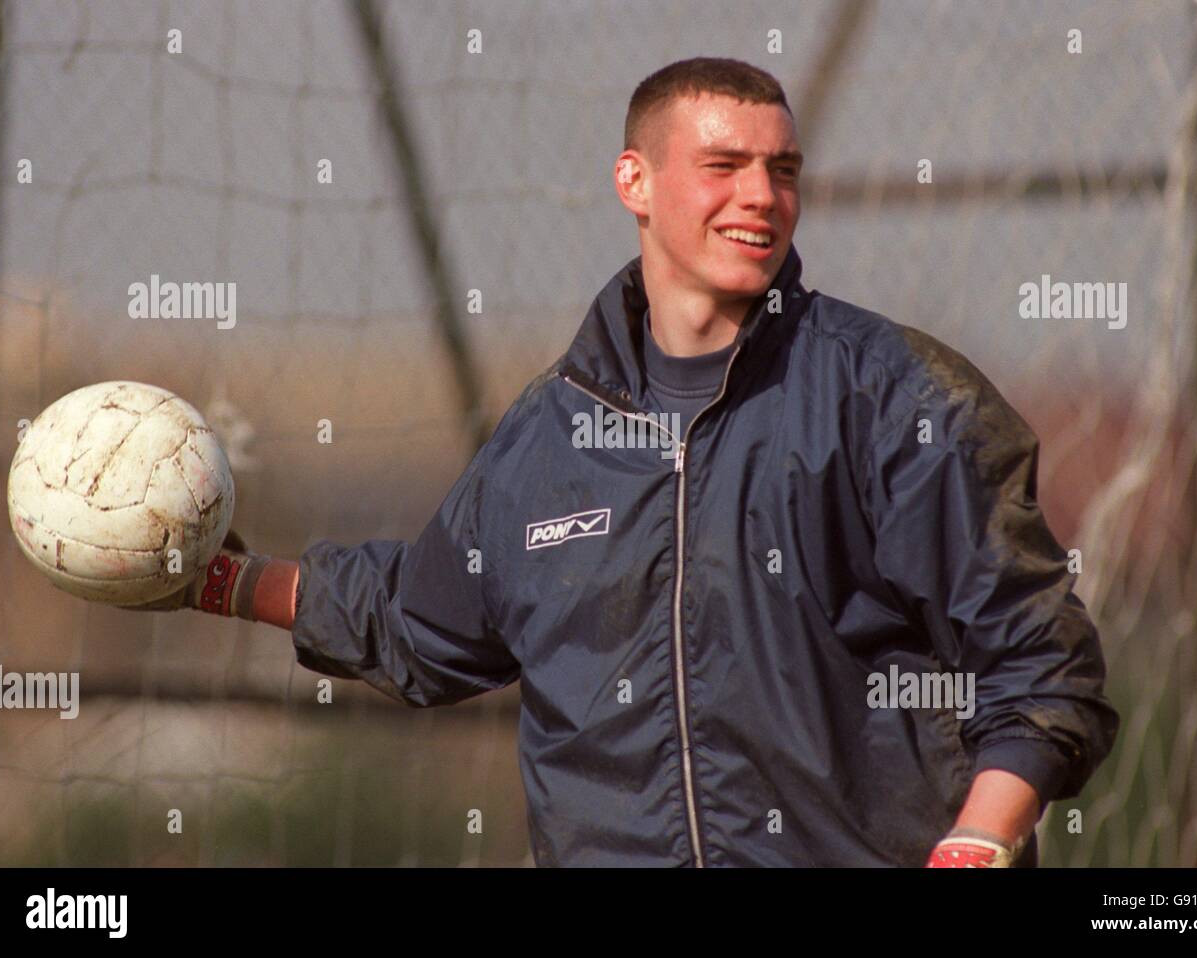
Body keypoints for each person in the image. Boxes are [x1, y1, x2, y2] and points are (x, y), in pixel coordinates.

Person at [154, 57, 1119, 867]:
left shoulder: (895, 397)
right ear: (635, 183)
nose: (761, 195)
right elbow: (422, 620)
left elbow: (1040, 666)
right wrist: (226, 583)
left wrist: (978, 841)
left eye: (782, 168)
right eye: (725, 164)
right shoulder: (549, 431)